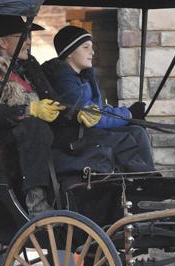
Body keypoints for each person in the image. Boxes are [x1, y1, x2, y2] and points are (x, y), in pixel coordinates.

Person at [0, 14, 64, 216]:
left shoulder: (28, 64)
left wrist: (74, 114)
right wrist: (28, 110)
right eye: (22, 36)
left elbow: (50, 96)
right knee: (35, 127)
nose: (29, 42)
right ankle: (36, 201)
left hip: (31, 134)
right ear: (2, 42)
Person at [42, 25, 155, 174]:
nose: (92, 52)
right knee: (130, 136)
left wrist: (129, 114)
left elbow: (98, 109)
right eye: (85, 47)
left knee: (137, 131)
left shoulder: (82, 77)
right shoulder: (64, 81)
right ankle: (146, 178)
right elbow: (94, 117)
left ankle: (147, 177)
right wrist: (128, 114)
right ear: (69, 52)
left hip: (86, 131)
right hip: (74, 135)